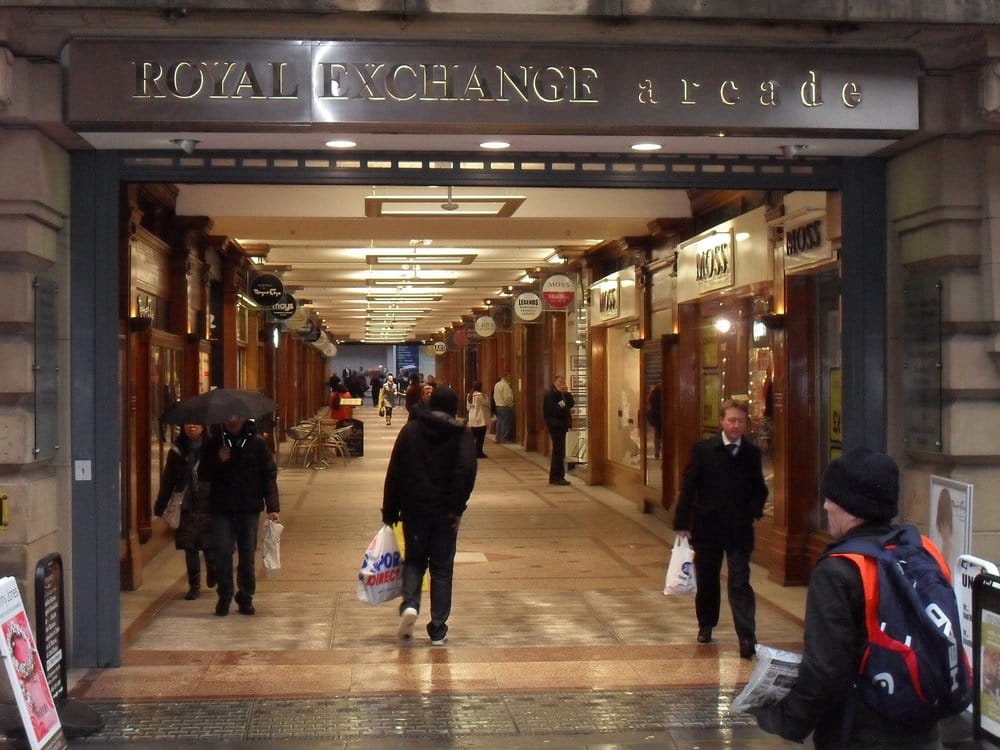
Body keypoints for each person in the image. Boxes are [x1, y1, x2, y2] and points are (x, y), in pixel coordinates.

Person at [750, 447, 943, 749]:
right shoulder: (923, 551)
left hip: (862, 732)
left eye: (831, 498)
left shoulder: (839, 569)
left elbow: (826, 669)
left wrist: (784, 718)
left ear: (851, 508)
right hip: (924, 729)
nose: (825, 505)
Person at [381, 386, 478, 646]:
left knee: (414, 561)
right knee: (442, 569)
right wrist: (457, 508)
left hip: (414, 510)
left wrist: (390, 510)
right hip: (446, 514)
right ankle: (438, 628)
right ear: (454, 407)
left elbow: (395, 473)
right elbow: (466, 472)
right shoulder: (461, 434)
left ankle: (411, 604)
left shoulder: (410, 431)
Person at [672, 398, 767, 659]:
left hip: (739, 529)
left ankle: (746, 636)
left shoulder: (751, 454)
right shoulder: (704, 450)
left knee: (739, 581)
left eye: (741, 421)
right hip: (708, 527)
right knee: (708, 580)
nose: (736, 426)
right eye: (732, 420)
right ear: (722, 422)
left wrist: (753, 510)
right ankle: (706, 624)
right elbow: (689, 487)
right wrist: (682, 522)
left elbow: (760, 489)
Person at [199, 417, 280, 617]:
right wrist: (218, 460)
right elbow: (203, 473)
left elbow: (268, 474)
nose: (232, 421)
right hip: (222, 508)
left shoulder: (257, 442)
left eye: (237, 417)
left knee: (247, 554)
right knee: (223, 552)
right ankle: (224, 595)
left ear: (244, 419)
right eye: (229, 417)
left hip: (248, 507)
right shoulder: (215, 443)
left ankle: (245, 596)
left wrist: (272, 506)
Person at [153, 423, 216, 600]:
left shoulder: (212, 448)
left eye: (196, 424)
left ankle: (213, 568)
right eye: (188, 424)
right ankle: (194, 585)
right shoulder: (177, 451)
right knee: (190, 547)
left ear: (204, 427)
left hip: (208, 503)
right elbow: (168, 479)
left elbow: (222, 475)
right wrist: (161, 505)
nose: (192, 428)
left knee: (209, 545)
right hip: (186, 504)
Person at [542, 375, 575, 485]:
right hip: (555, 426)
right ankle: (557, 477)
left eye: (563, 382)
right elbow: (555, 410)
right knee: (558, 451)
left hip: (562, 426)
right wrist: (564, 405)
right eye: (560, 382)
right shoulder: (551, 394)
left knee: (560, 451)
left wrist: (566, 393)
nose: (562, 384)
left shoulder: (562, 394)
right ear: (555, 382)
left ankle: (556, 476)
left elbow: (571, 403)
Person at [466, 381, 490, 459]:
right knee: (480, 438)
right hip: (480, 419)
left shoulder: (469, 395)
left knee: (472, 438)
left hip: (472, 419)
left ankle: (469, 452)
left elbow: (468, 408)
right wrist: (486, 397)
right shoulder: (480, 396)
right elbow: (487, 404)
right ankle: (479, 453)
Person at [492, 372, 514, 443]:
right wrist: (511, 404)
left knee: (499, 422)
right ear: (506, 377)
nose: (510, 378)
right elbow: (507, 397)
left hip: (498, 406)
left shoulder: (497, 384)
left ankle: (497, 437)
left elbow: (494, 396)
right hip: (505, 406)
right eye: (509, 376)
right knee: (505, 423)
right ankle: (504, 438)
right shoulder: (505, 385)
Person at [646, 382, 662, 460]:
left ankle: (657, 453)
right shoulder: (666, 390)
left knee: (657, 433)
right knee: (663, 434)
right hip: (663, 414)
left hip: (655, 415)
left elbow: (649, 402)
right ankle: (663, 451)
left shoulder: (654, 391)